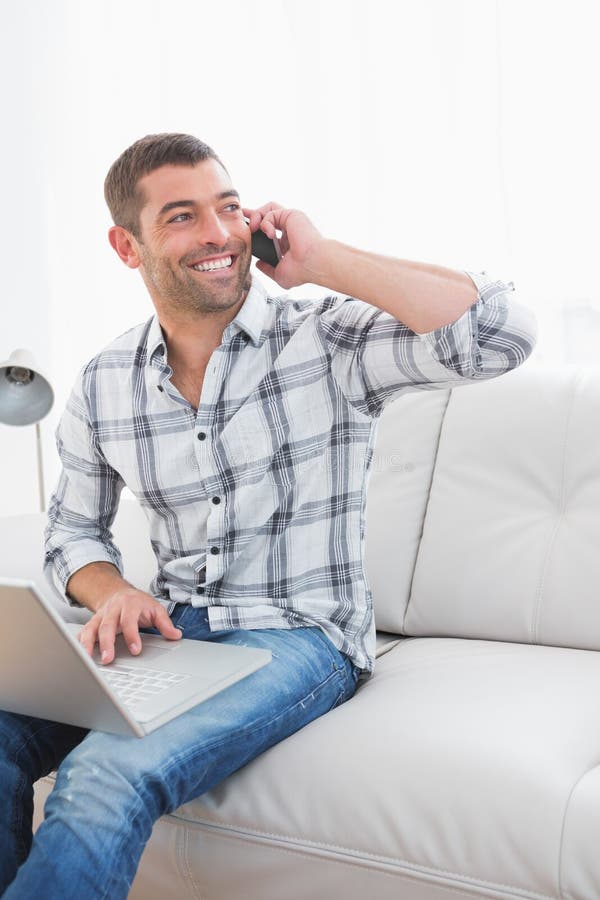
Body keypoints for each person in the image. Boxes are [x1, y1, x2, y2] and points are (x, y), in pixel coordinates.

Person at [0, 132, 537, 898]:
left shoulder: (326, 338)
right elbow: (72, 534)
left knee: (105, 774)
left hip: (299, 636)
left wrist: (322, 260)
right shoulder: (104, 381)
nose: (219, 233)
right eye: (182, 216)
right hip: (173, 633)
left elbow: (501, 334)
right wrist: (110, 591)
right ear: (127, 246)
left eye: (228, 207)